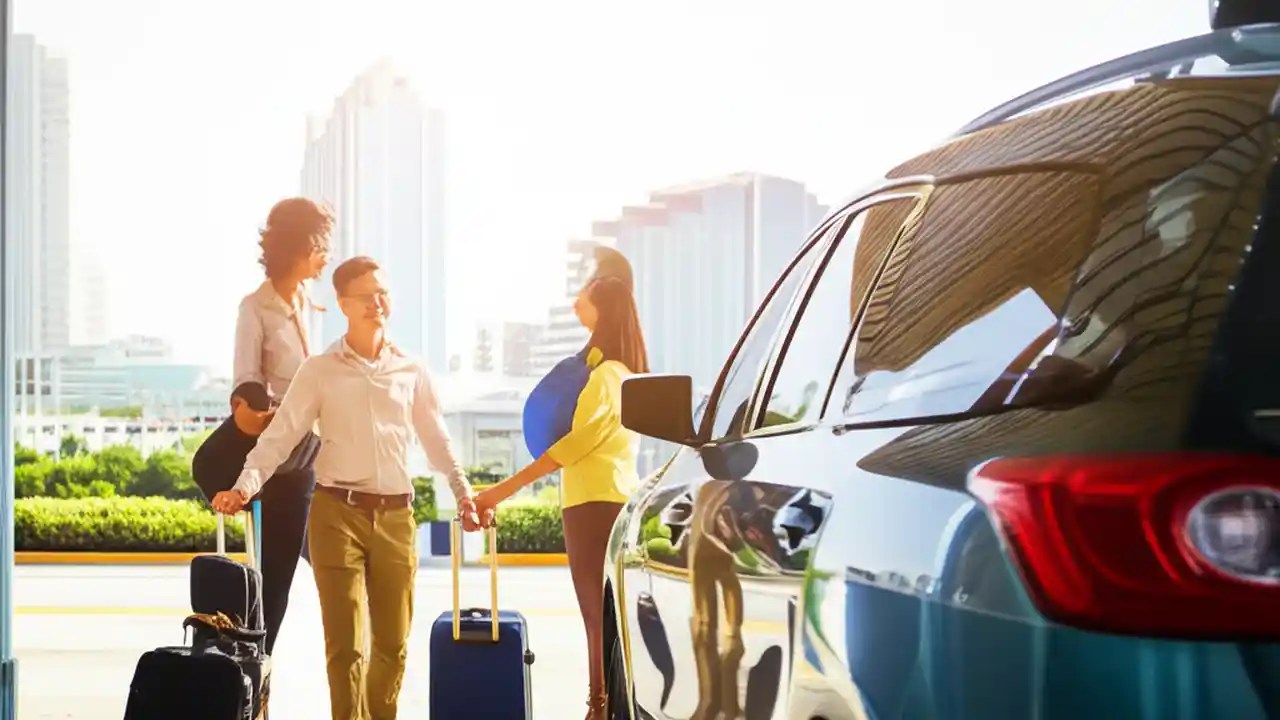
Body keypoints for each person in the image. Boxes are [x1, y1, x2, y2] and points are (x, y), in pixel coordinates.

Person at [211, 256, 488, 720]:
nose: (378, 302)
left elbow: (436, 439)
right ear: (342, 303)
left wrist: (463, 493)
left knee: (393, 645)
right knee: (345, 648)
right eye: (366, 295)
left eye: (383, 293)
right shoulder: (320, 370)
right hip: (336, 514)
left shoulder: (411, 370)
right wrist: (244, 486)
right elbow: (281, 435)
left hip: (397, 517)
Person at [474, 247, 648, 720]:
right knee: (601, 614)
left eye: (588, 297)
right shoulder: (611, 371)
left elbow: (571, 446)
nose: (578, 302)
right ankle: (604, 703)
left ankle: (600, 706)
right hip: (597, 498)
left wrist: (498, 492)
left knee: (597, 614)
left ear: (604, 309)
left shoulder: (608, 376)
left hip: (595, 504)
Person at [230, 196, 331, 655]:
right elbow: (247, 380)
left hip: (317, 449)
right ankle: (254, 674)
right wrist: (256, 413)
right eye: (321, 243)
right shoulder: (257, 307)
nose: (327, 252)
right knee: (276, 579)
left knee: (326, 563)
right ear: (301, 245)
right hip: (282, 453)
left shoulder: (312, 304)